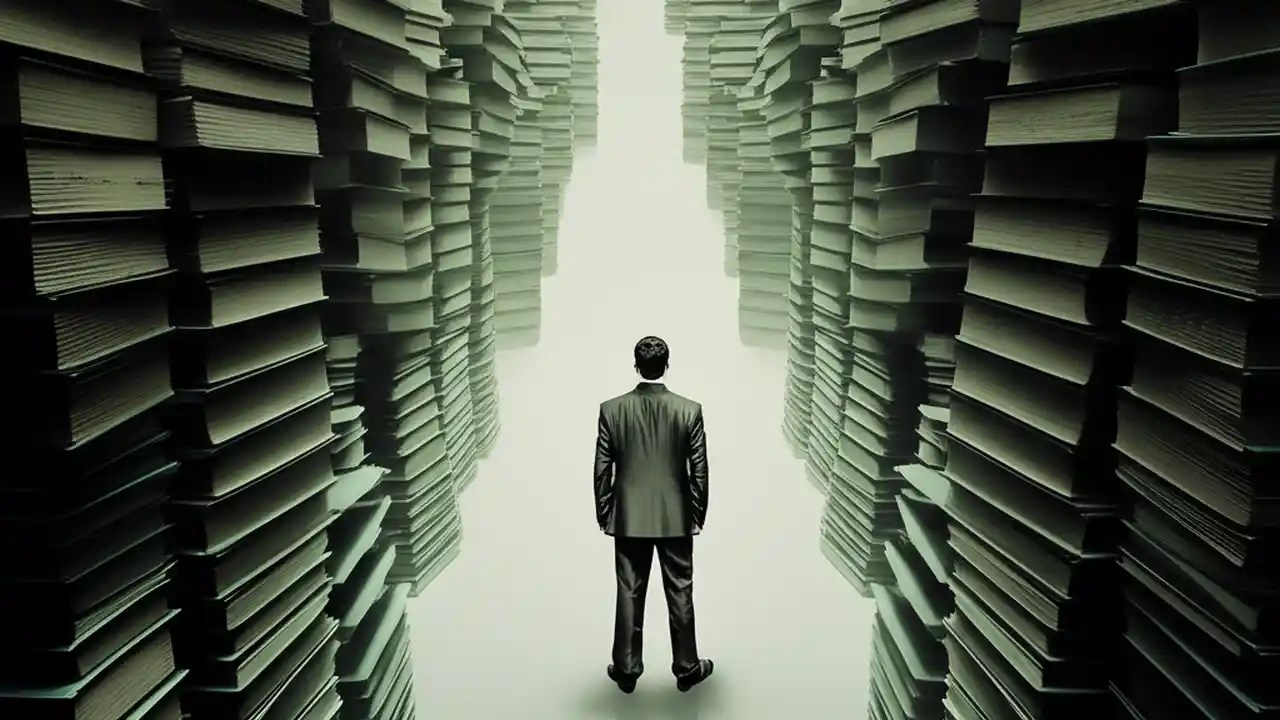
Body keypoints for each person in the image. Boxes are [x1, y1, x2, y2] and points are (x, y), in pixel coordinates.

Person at [593, 335, 714, 694]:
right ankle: (687, 667)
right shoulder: (688, 410)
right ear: (667, 364)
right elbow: (700, 469)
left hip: (629, 515)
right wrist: (696, 513)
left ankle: (627, 669)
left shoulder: (611, 410)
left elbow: (602, 468)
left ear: (635, 365)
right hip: (675, 515)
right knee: (680, 589)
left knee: (629, 590)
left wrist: (605, 512)